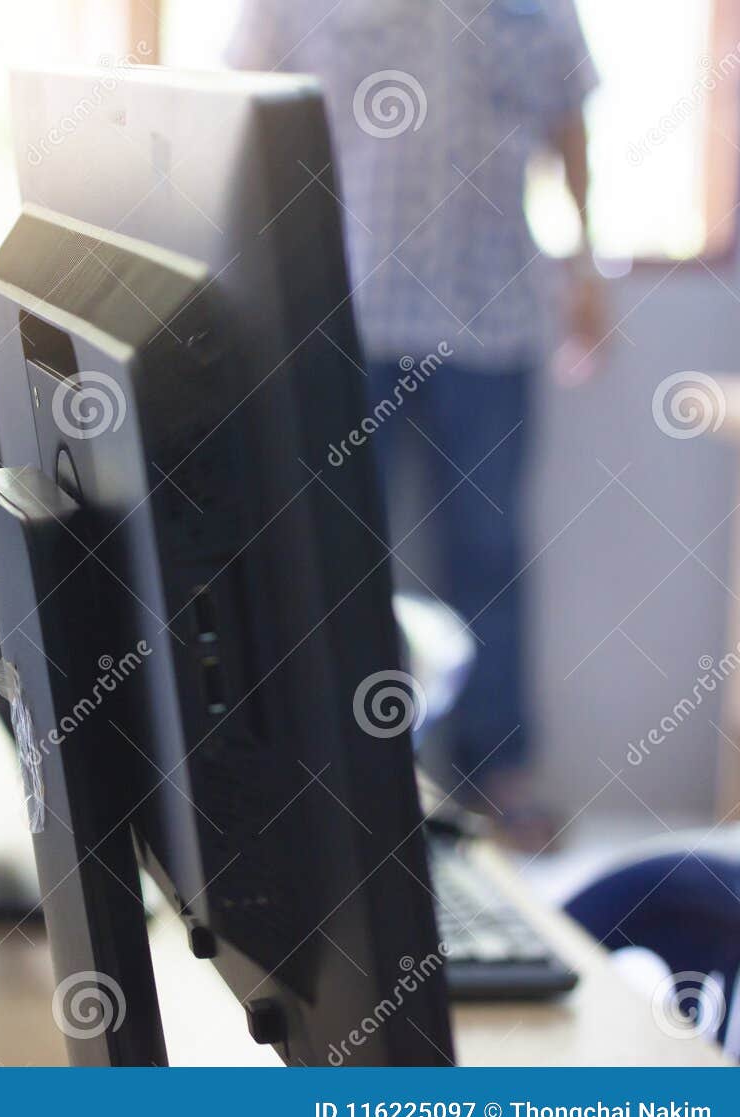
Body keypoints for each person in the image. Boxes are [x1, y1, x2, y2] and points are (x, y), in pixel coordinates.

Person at [227, 0, 605, 849]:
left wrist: (585, 261)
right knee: (333, 546)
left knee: (488, 546)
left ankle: (496, 775)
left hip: (493, 310)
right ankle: (331, 769)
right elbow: (241, 112)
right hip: (343, 312)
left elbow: (566, 120)